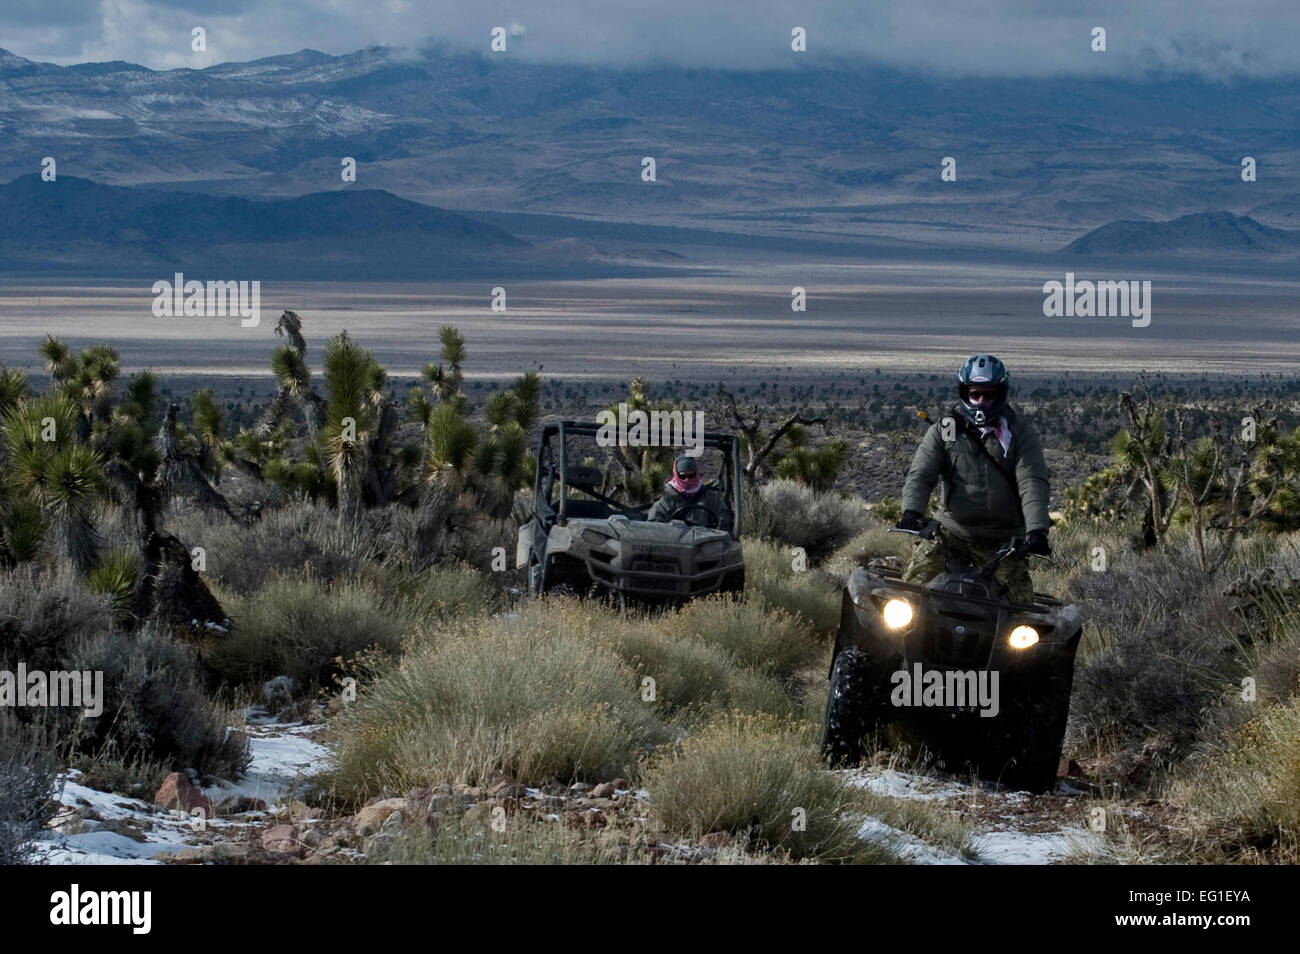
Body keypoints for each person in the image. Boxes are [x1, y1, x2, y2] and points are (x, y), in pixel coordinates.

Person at [897, 354, 1052, 604]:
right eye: (975, 394)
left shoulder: (1018, 433)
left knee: (1019, 608)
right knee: (911, 590)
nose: (981, 401)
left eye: (989, 395)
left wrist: (1037, 531)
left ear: (1001, 394)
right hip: (953, 532)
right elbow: (922, 472)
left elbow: (1032, 482)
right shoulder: (948, 428)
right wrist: (911, 511)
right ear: (964, 392)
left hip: (1002, 541)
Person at [647, 455, 733, 532]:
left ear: (696, 473)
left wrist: (717, 534)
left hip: (704, 543)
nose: (687, 480)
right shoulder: (668, 497)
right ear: (676, 475)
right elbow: (655, 522)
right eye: (682, 476)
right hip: (673, 543)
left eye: (691, 476)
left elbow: (724, 517)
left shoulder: (709, 497)